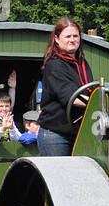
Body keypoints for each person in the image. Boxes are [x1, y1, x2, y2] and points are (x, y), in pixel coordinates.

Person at [38, 17, 94, 157]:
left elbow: (90, 90)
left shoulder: (82, 63)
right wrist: (98, 103)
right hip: (55, 135)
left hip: (79, 133)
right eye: (67, 36)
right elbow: (72, 97)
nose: (72, 39)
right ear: (57, 39)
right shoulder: (54, 65)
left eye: (75, 36)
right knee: (60, 178)